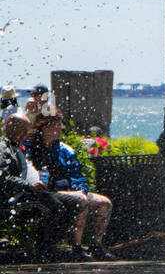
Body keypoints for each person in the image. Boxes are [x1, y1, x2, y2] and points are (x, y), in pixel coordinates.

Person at [26, 110, 115, 260]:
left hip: (71, 192)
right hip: (48, 193)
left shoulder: (65, 150)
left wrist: (80, 189)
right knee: (81, 201)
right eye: (57, 125)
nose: (61, 128)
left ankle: (96, 245)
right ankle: (77, 247)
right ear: (45, 127)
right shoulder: (31, 149)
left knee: (104, 203)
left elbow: (77, 176)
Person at [1, 113, 78, 261]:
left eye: (27, 130)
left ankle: (48, 244)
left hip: (27, 193)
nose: (25, 134)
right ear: (10, 127)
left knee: (74, 203)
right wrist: (29, 186)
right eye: (22, 130)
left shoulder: (17, 147)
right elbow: (2, 177)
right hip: (13, 200)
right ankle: (42, 249)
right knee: (55, 207)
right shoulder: (3, 148)